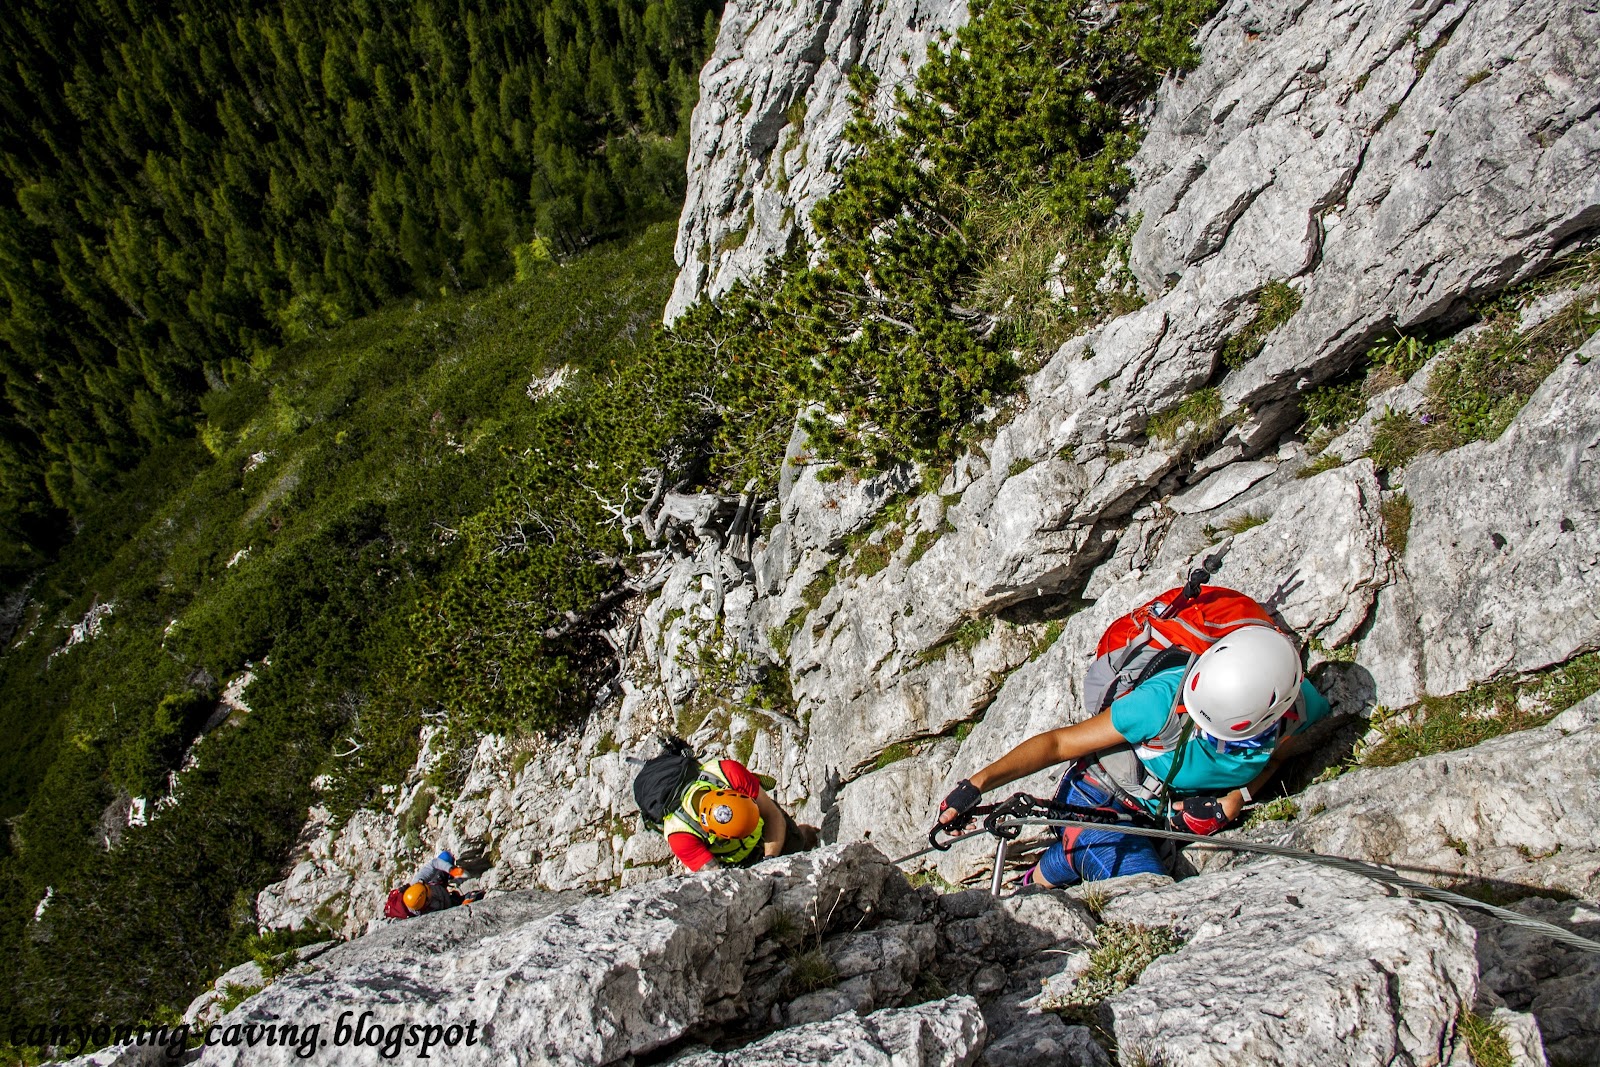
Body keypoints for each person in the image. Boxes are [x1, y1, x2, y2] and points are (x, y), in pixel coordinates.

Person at [937, 625, 1331, 887]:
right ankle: (1042, 877)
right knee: (1143, 893)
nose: (1202, 729)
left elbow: (1277, 758)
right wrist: (975, 785)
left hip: (1159, 810)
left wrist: (1237, 798)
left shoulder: (1294, 711)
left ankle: (1053, 867)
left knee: (1103, 854)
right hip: (1097, 796)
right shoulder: (1157, 704)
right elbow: (1059, 744)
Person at [633, 738, 819, 872]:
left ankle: (809, 835)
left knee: (801, 842)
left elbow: (771, 815)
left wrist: (770, 861)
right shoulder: (681, 836)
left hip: (765, 829)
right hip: (737, 862)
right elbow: (714, 875)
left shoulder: (728, 773)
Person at [393, 849, 484, 918]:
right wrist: (462, 905)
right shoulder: (426, 915)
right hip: (449, 904)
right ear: (426, 901)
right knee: (477, 896)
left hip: (439, 886)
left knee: (446, 857)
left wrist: (452, 870)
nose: (426, 886)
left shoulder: (417, 883)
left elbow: (434, 863)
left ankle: (451, 878)